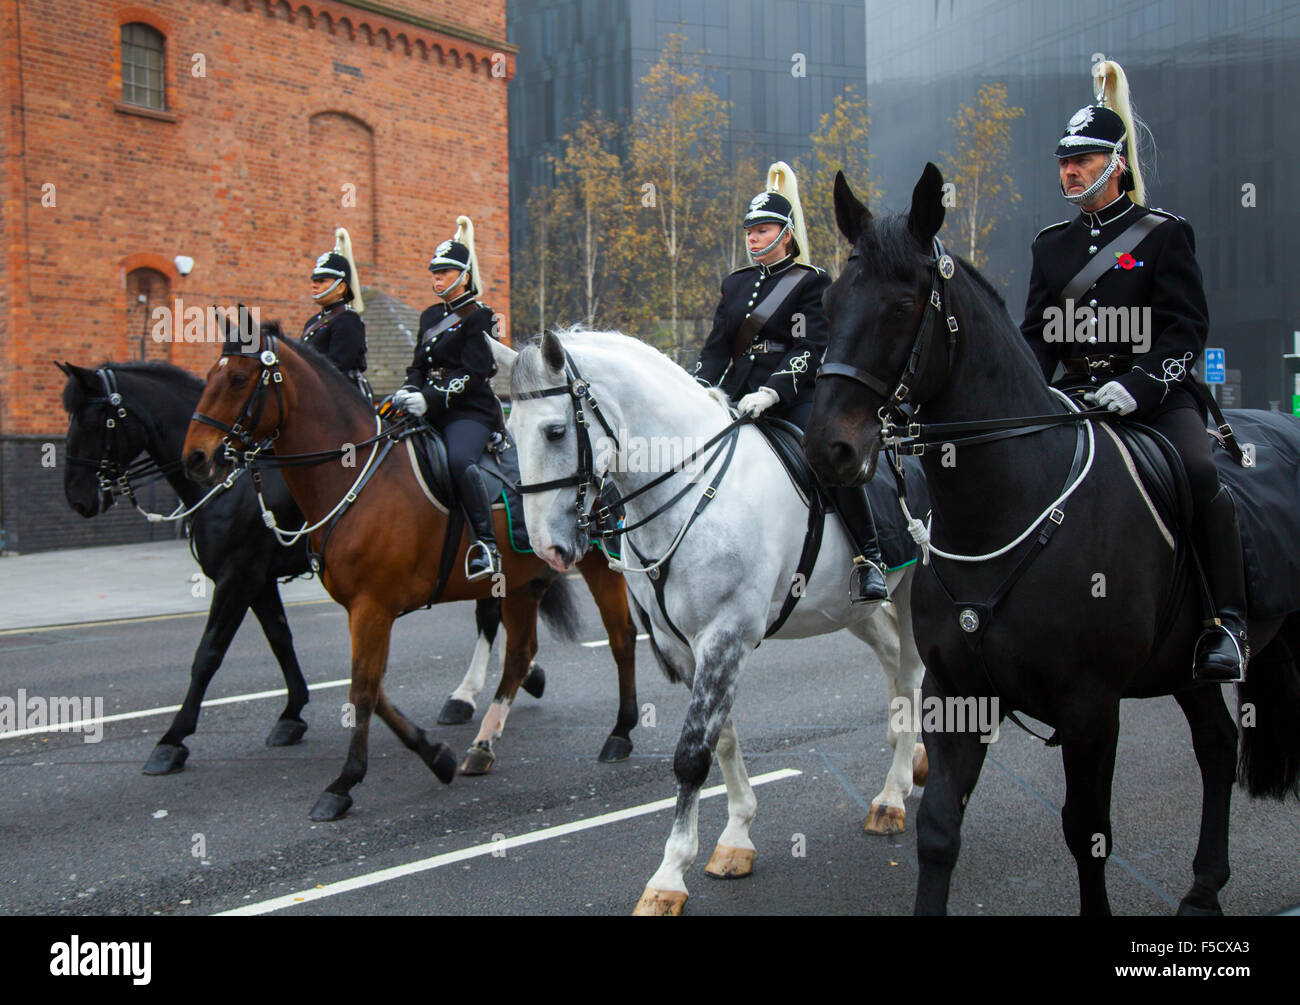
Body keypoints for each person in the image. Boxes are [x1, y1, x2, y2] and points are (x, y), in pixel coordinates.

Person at [1020, 60, 1247, 683]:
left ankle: (1225, 621)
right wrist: (1026, 392)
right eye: (1065, 159)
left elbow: (1185, 330)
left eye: (1085, 159)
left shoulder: (1163, 235)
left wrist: (1139, 385)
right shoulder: (1051, 245)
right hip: (1075, 397)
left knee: (1200, 473)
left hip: (1155, 396)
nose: (1070, 170)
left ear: (1115, 163)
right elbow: (1039, 334)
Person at [693, 162, 888, 604]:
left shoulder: (811, 282)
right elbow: (716, 350)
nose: (753, 238)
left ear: (785, 234)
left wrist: (774, 391)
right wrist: (697, 389)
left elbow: (811, 347)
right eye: (749, 231)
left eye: (762, 230)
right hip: (740, 398)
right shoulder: (736, 284)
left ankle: (868, 558)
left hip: (793, 398)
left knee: (829, 453)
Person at [391, 216, 503, 582]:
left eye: (444, 272)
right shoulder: (429, 316)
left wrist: (431, 399)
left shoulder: (480, 317)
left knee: (459, 461)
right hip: (428, 404)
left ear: (464, 276)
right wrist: (410, 389)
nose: (436, 279)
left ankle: (486, 545)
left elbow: (475, 374)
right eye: (434, 273)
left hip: (468, 412)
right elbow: (418, 366)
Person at [303, 227, 370, 399]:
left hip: (341, 400)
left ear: (340, 287)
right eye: (314, 281)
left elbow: (337, 368)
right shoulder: (312, 322)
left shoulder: (348, 320)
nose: (314, 285)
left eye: (321, 281)